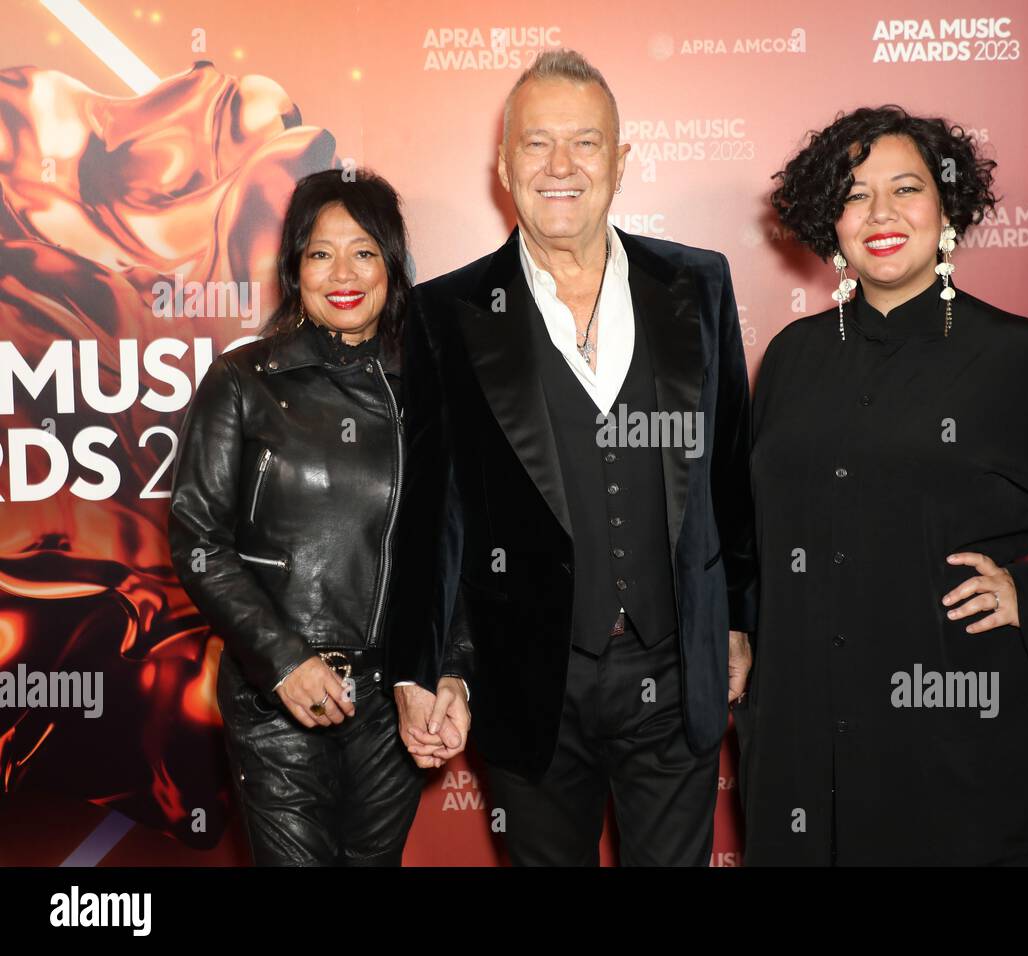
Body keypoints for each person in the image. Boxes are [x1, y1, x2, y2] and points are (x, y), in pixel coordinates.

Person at [738, 105, 1028, 865]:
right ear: (829, 222)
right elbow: (749, 525)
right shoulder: (793, 359)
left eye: (907, 189)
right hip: (808, 744)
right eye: (855, 193)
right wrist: (737, 631)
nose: (881, 213)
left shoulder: (1019, 359)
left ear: (947, 210)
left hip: (963, 736)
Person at [389, 49, 756, 866]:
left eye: (586, 143)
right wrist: (424, 667)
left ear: (621, 162)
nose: (561, 167)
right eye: (537, 144)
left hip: (672, 674)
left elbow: (729, 467)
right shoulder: (447, 312)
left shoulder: (698, 284)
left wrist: (736, 619)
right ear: (503, 164)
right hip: (529, 684)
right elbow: (431, 514)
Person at [169, 168, 470, 866]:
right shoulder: (243, 381)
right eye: (321, 252)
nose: (344, 272)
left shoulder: (435, 390)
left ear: (392, 265)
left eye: (364, 250)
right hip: (279, 702)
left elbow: (458, 550)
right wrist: (282, 662)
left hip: (395, 702)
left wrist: (449, 671)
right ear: (295, 267)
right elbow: (199, 541)